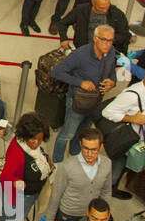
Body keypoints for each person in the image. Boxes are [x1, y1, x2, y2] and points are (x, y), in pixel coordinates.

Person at [50, 25, 118, 163]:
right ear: (95, 39)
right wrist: (80, 83)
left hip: (96, 103)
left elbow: (112, 71)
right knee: (67, 134)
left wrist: (112, 82)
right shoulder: (80, 55)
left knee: (83, 133)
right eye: (104, 40)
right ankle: (57, 163)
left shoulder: (111, 52)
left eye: (110, 40)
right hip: (77, 101)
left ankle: (75, 154)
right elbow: (56, 72)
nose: (107, 44)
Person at [100, 63, 145, 198]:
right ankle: (103, 199)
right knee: (115, 171)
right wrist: (132, 118)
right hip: (126, 140)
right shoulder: (132, 95)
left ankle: (113, 189)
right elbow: (107, 112)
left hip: (139, 142)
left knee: (124, 169)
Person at [54, 0, 130, 54]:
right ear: (93, 2)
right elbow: (63, 23)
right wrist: (63, 38)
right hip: (83, 50)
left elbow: (125, 35)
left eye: (107, 6)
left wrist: (108, 39)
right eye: (101, 8)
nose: (105, 10)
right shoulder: (81, 10)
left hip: (106, 54)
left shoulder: (117, 15)